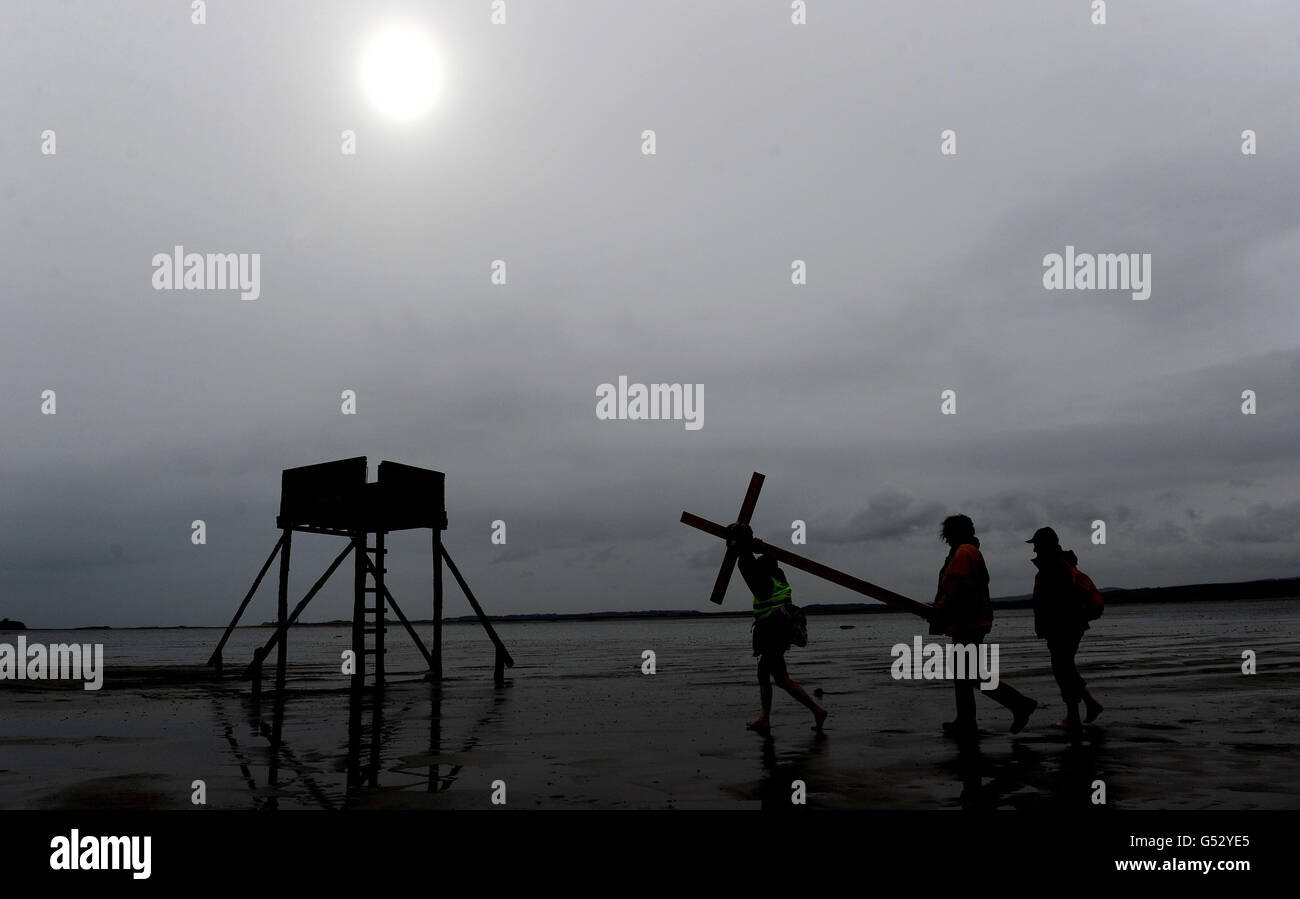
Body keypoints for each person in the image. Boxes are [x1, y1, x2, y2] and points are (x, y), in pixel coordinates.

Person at [931, 514, 1037, 739]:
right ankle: (965, 721)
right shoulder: (969, 551)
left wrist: (939, 611)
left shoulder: (963, 553)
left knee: (969, 674)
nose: (946, 539)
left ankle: (1019, 704)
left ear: (952, 533)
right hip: (970, 621)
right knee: (963, 674)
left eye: (947, 534)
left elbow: (956, 589)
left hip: (967, 622)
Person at [725, 523, 827, 735]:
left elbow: (747, 566)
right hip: (777, 628)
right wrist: (755, 547)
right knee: (766, 674)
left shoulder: (764, 583)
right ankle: (766, 717)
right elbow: (755, 563)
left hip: (774, 628)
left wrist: (740, 546)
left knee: (780, 678)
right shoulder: (777, 576)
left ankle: (816, 710)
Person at [1027, 527, 1103, 732]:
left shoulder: (1055, 566)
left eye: (1036, 544)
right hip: (1067, 626)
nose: (1034, 548)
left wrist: (1052, 625)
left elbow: (1057, 602)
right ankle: (1089, 705)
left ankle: (1074, 717)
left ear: (1044, 545)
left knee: (1063, 670)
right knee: (1066, 668)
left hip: (1063, 627)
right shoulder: (1059, 564)